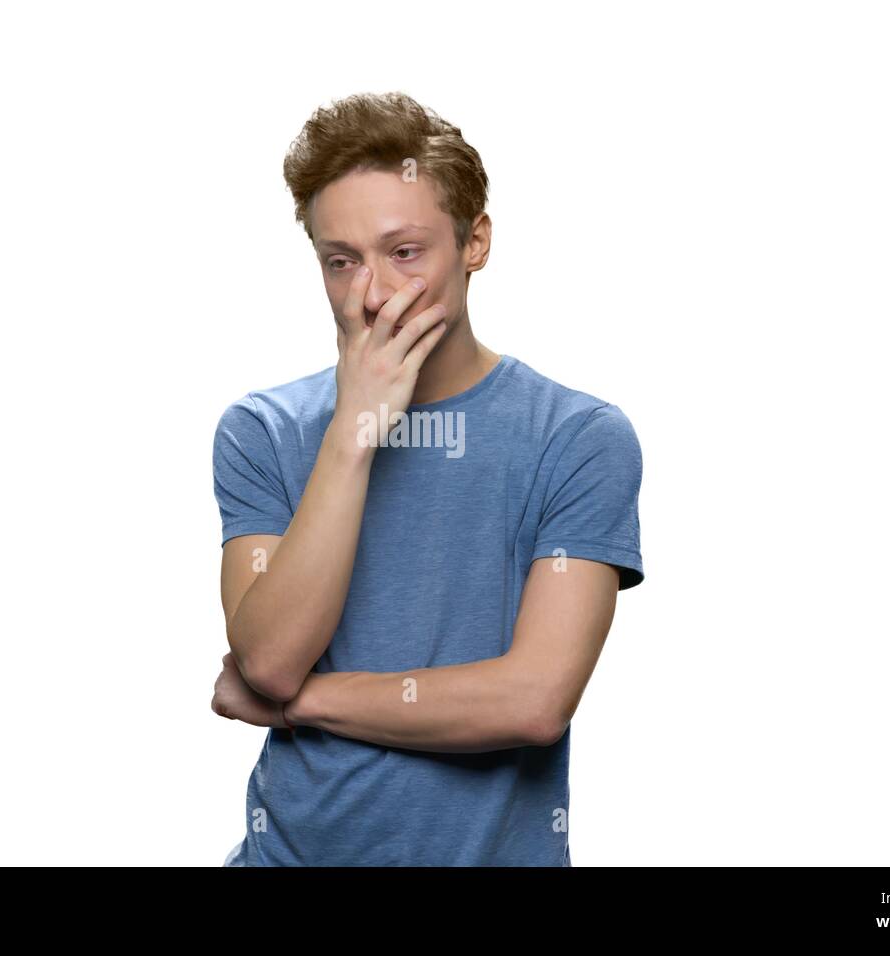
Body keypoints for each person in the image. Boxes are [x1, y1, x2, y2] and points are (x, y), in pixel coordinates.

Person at [210, 91, 644, 866]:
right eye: (340, 261)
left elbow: (534, 702)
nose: (371, 294)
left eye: (404, 252)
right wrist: (353, 432)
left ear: (474, 241)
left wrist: (297, 705)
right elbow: (270, 659)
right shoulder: (264, 431)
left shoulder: (577, 437)